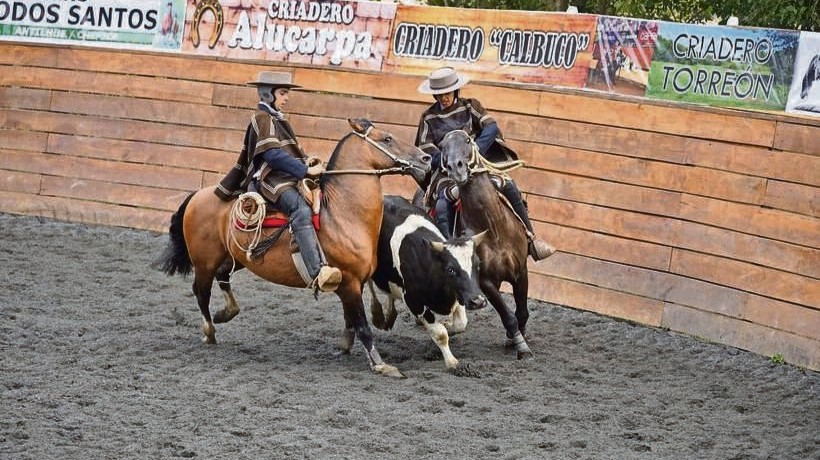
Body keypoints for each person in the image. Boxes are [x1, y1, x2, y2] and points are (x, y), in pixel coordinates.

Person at [214, 71, 342, 292]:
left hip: (285, 176)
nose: (287, 97)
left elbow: (288, 152)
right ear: (268, 94)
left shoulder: (277, 118)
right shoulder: (262, 118)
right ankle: (317, 271)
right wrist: (305, 170)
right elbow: (272, 156)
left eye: (286, 93)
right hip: (269, 180)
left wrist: (308, 162)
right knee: (300, 209)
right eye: (283, 93)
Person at [415, 66, 555, 261]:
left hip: (477, 165)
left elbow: (491, 127)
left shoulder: (470, 106)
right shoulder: (428, 117)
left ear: (455, 90)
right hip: (448, 171)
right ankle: (449, 249)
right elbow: (425, 148)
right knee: (442, 203)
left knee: (509, 186)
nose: (443, 98)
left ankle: (531, 238)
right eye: (439, 94)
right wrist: (446, 160)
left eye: (447, 93)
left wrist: (476, 150)